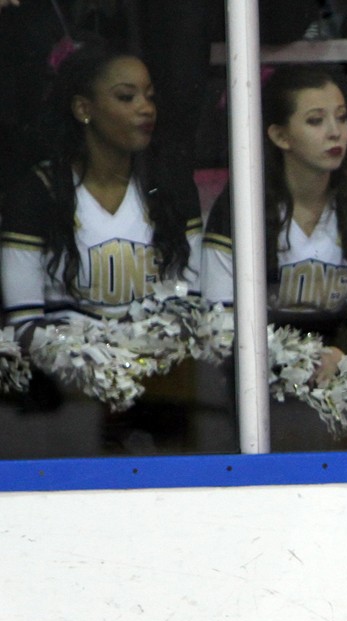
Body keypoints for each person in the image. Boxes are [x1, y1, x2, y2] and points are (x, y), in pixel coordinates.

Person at [1, 40, 204, 453]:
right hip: (62, 394)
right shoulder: (40, 192)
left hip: (159, 389)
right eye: (126, 97)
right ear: (83, 109)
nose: (145, 108)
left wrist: (141, 361)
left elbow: (193, 302)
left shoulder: (170, 186)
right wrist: (92, 363)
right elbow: (23, 323)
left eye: (149, 96)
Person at [203, 66, 347, 409]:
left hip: (339, 384)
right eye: (316, 121)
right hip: (252, 387)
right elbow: (220, 320)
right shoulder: (241, 209)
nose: (336, 133)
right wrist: (282, 361)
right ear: (280, 136)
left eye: (342, 118)